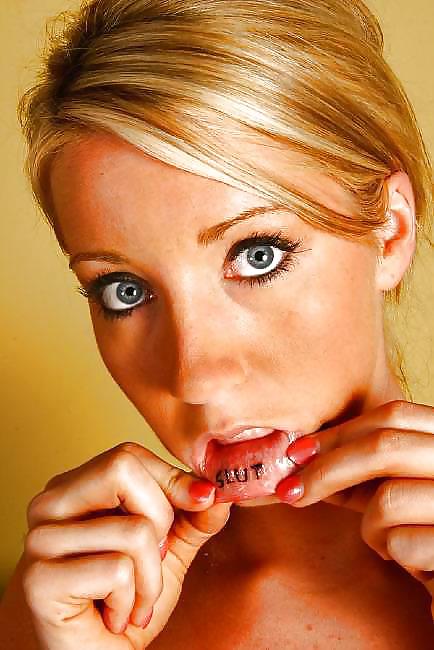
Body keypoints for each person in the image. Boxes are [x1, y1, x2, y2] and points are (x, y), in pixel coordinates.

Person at [1, 0, 433, 647]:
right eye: (125, 291)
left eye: (257, 257)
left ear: (390, 232)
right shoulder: (71, 611)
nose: (196, 376)